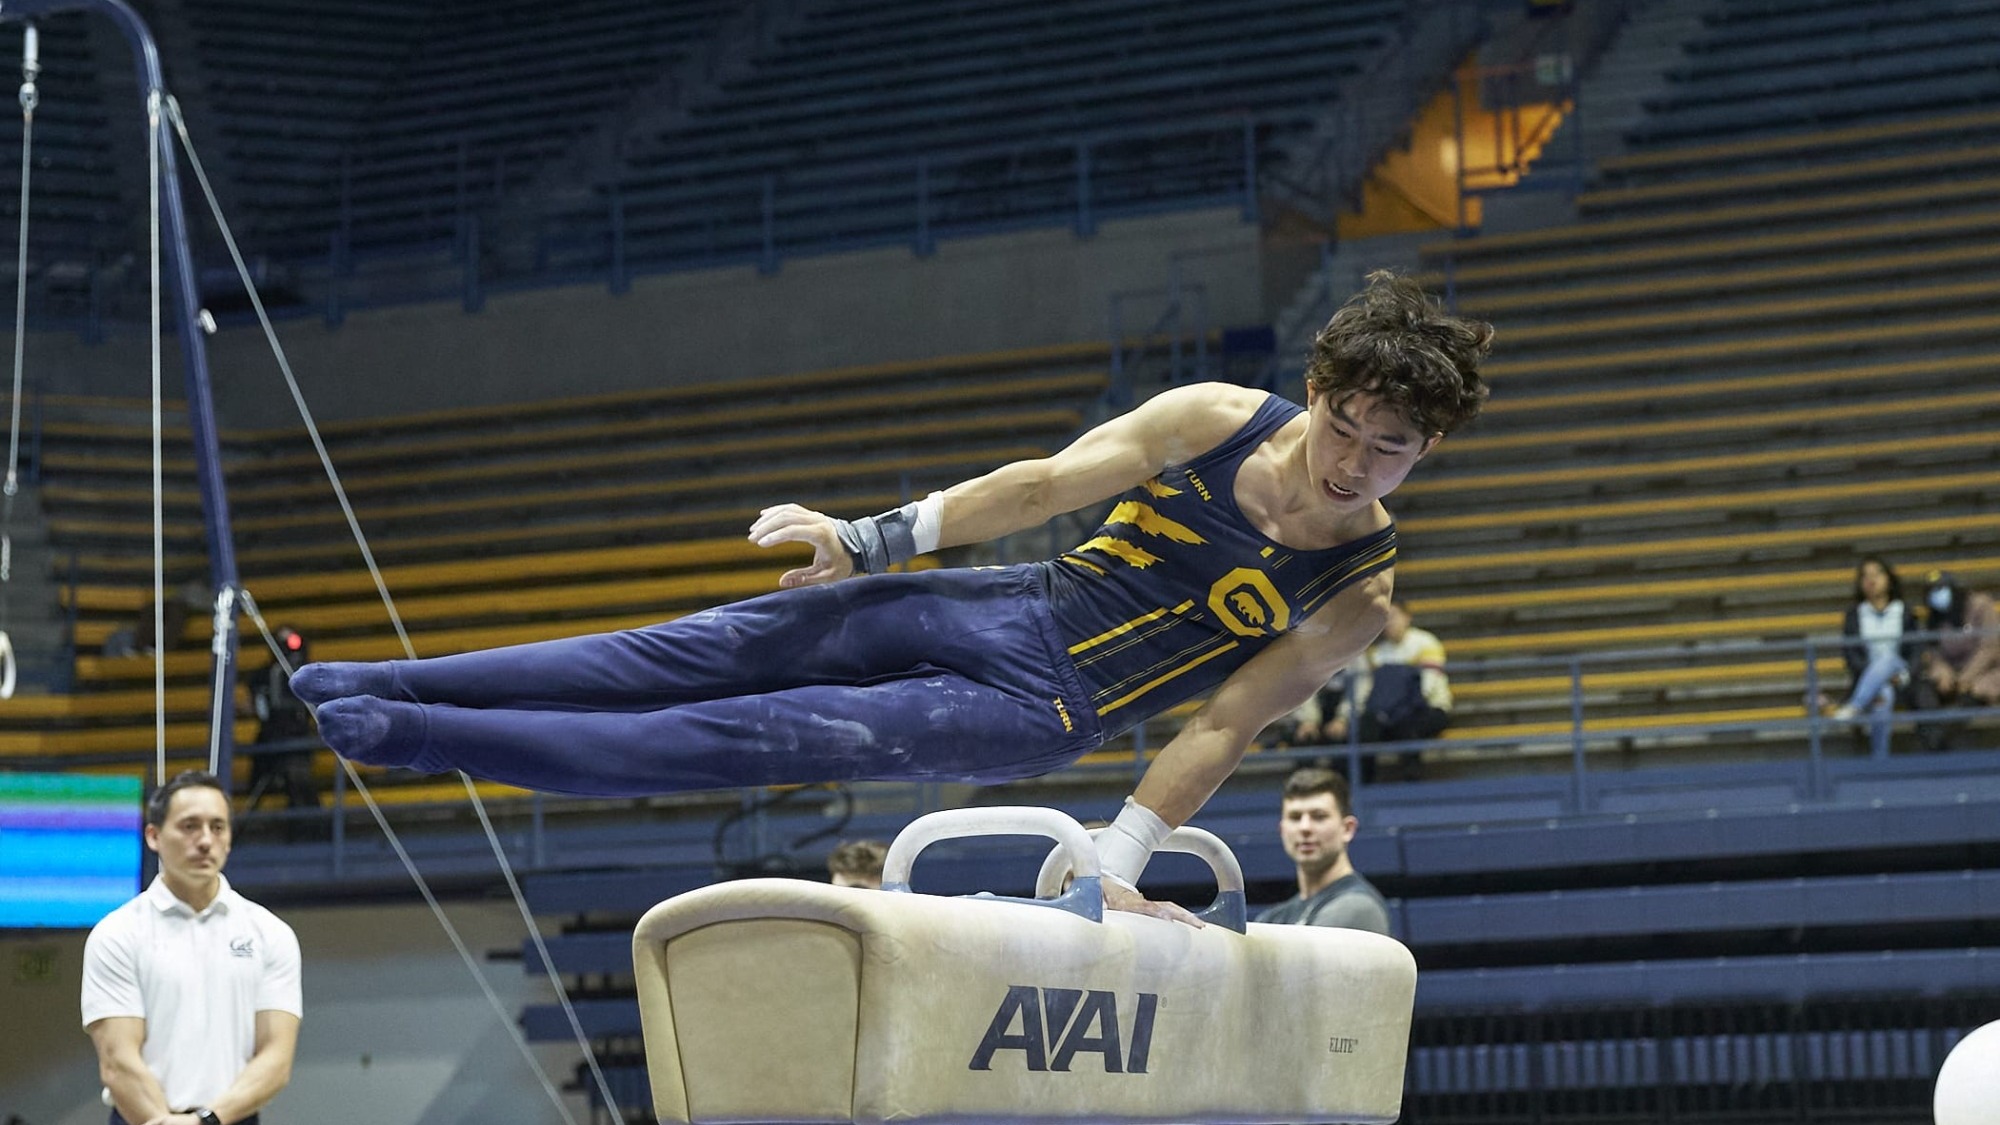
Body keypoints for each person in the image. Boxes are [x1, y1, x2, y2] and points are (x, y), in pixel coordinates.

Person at [292, 271, 1491, 922]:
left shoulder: (1354, 596)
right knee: (689, 652)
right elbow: (1042, 484)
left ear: (1422, 452)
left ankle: (415, 737)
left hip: (1049, 709)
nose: (1352, 462)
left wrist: (1116, 856)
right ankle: (390, 678)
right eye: (1346, 424)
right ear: (1317, 386)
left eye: (1388, 449)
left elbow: (1223, 725)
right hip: (1005, 599)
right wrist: (870, 539)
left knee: (731, 739)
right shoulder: (1215, 419)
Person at [81, 771, 302, 1125]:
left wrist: (206, 1120)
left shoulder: (270, 933)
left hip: (231, 1119)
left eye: (217, 827)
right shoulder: (117, 934)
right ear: (153, 836)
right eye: (189, 826)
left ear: (229, 838)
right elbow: (117, 1060)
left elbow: (276, 1058)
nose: (205, 841)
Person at [1255, 767, 1392, 934]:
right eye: (1295, 817)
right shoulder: (1272, 918)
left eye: (1319, 816)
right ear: (1282, 830)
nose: (1305, 828)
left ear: (1347, 829)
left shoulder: (1357, 907)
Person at [1831, 556, 1921, 755]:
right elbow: (1851, 655)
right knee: (1883, 697)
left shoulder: (1904, 611)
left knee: (1888, 659)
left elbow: (1915, 651)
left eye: (1877, 574)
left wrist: (1903, 677)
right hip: (1869, 678)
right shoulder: (1855, 614)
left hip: (1900, 674)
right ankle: (1880, 760)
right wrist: (1877, 677)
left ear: (1889, 578)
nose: (1871, 580)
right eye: (1865, 576)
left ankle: (1855, 705)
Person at [1911, 570, 2000, 751]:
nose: (1938, 596)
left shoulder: (1980, 605)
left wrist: (1966, 678)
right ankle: (1936, 745)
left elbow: (1989, 648)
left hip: (1986, 673)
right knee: (1922, 689)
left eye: (1942, 589)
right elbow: (1934, 652)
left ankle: (1941, 745)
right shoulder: (1935, 616)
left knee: (1973, 695)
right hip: (1952, 675)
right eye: (1932, 591)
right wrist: (1943, 673)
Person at [243, 628, 323, 816]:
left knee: (299, 781)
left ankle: (312, 825)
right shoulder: (262, 676)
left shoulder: (311, 675)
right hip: (271, 736)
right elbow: (252, 706)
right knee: (262, 781)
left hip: (298, 737)